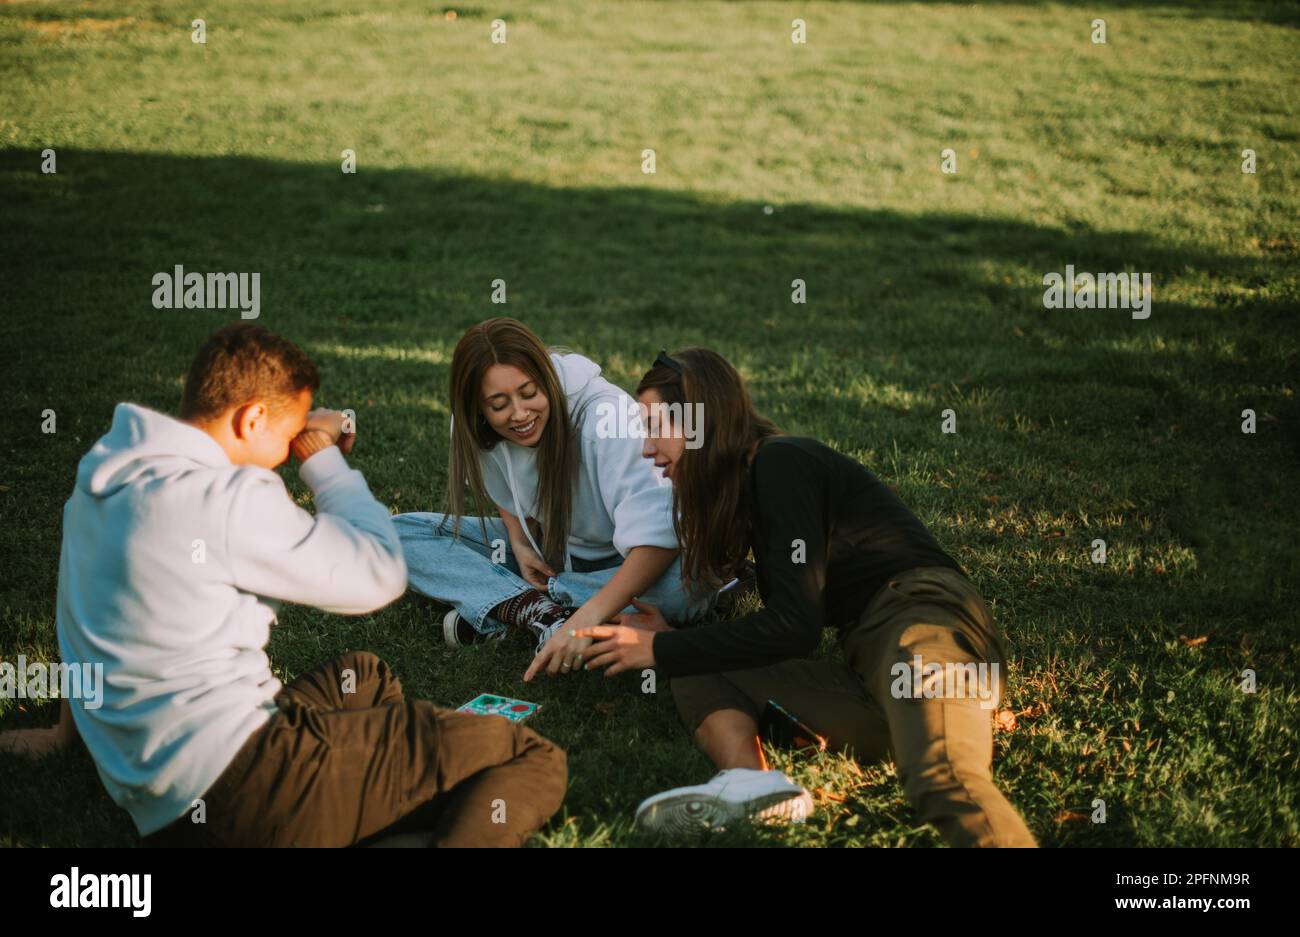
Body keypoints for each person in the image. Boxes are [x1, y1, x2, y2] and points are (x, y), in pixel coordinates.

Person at [2, 323, 566, 847]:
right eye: (288, 436)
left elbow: (81, 611)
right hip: (249, 783)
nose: (287, 453)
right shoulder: (222, 499)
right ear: (250, 420)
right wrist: (323, 463)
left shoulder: (104, 475)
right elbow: (378, 574)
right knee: (530, 756)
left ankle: (369, 804)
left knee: (362, 676)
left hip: (157, 791)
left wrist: (63, 733)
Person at [578, 348, 1037, 847]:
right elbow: (780, 627)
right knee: (695, 659)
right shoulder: (750, 487)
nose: (647, 449)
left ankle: (957, 713)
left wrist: (657, 649)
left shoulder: (781, 461)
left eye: (655, 425)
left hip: (919, 618)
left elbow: (794, 626)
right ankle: (753, 783)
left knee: (941, 776)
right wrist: (671, 645)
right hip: (866, 661)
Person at [394, 318, 715, 682]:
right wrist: (518, 540)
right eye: (498, 404)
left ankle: (515, 607)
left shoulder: (607, 418)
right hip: (551, 555)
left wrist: (586, 619)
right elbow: (503, 485)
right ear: (478, 409)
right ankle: (539, 613)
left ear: (546, 378)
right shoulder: (472, 425)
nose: (519, 414)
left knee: (686, 586)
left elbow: (659, 537)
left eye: (529, 393)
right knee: (396, 534)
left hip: (629, 561)